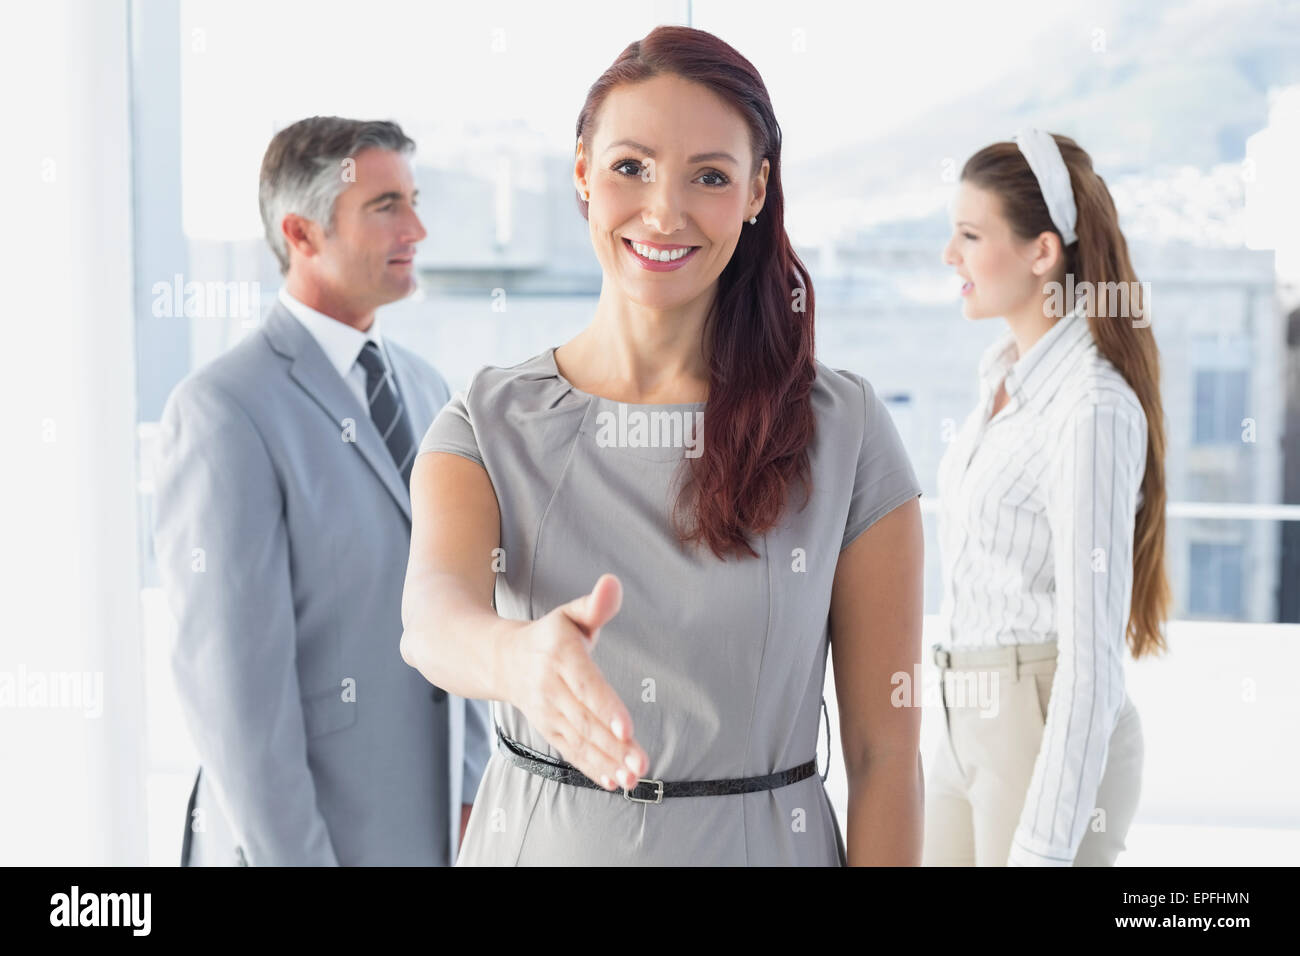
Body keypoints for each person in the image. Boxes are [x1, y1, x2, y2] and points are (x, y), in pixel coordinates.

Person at [399, 26, 925, 866]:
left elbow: (885, 752)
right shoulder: (489, 420)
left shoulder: (844, 429)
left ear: (757, 192)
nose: (664, 212)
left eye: (709, 176)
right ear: (581, 172)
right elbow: (430, 619)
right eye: (630, 167)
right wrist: (517, 657)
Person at [153, 116, 491, 866]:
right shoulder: (223, 411)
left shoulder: (424, 384)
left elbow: (458, 602)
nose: (418, 228)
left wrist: (474, 795)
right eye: (385, 207)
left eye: (413, 198)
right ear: (301, 234)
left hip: (429, 837)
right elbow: (235, 700)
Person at [927, 129, 1170, 866]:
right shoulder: (1000, 383)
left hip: (1040, 729)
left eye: (971, 235)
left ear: (1042, 253)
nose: (951, 256)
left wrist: (1044, 849)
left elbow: (1091, 662)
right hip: (960, 718)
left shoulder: (1090, 407)